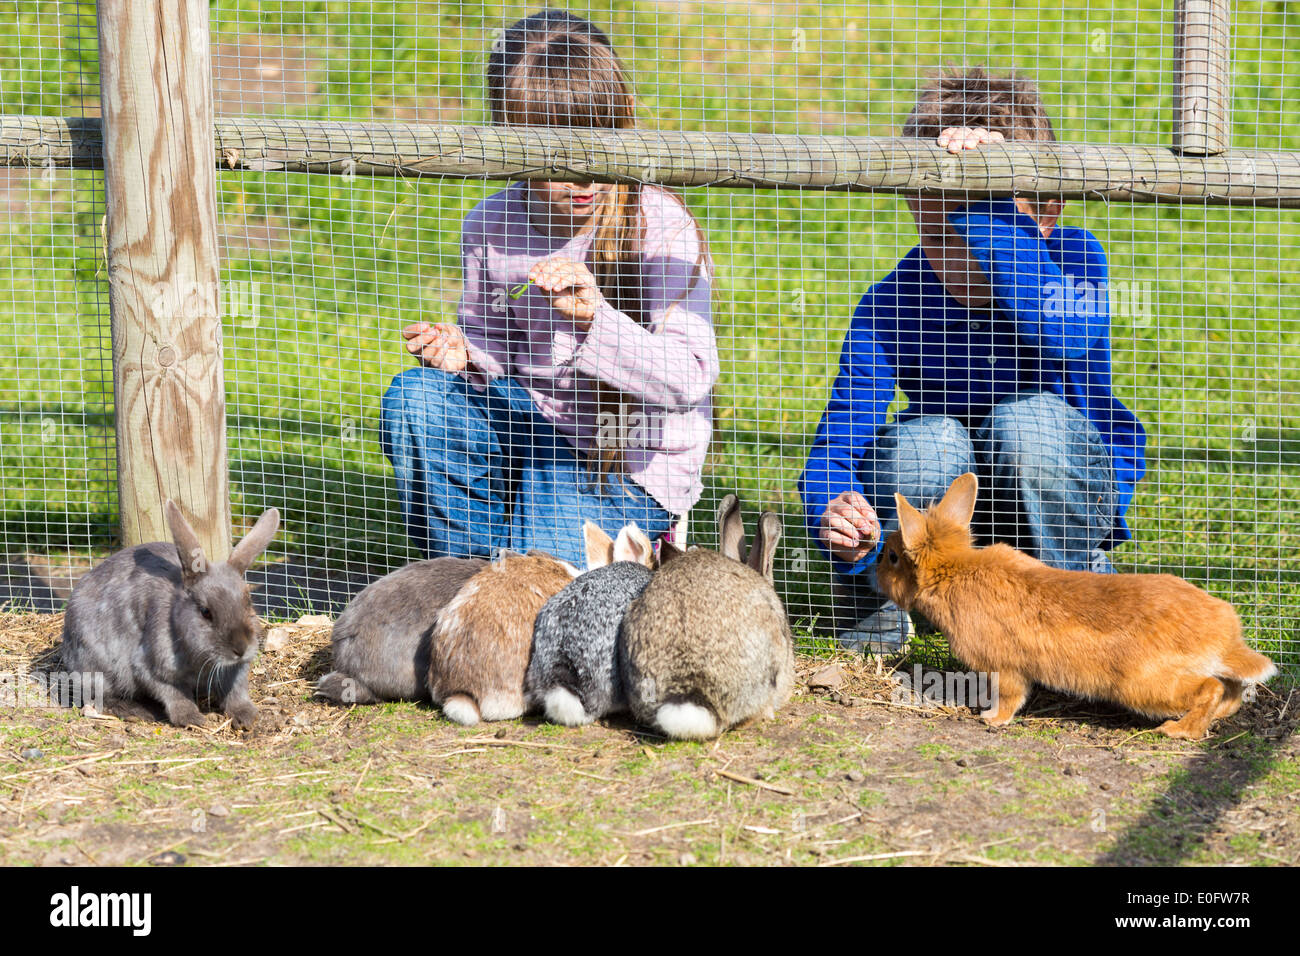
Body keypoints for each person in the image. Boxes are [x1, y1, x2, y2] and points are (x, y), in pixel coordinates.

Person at [799, 67, 1147, 653]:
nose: (959, 265)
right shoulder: (892, 300)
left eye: (981, 235)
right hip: (950, 529)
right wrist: (835, 505)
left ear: (1047, 212)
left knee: (1026, 424)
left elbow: (1065, 332)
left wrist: (987, 210)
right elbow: (837, 445)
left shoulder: (1074, 256)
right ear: (912, 204)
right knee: (928, 442)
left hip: (1055, 501)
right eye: (943, 236)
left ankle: (1077, 597)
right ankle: (886, 594)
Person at [380, 9, 718, 569]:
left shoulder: (661, 225)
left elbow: (690, 377)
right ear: (512, 142)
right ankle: (466, 576)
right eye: (555, 156)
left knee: (542, 587)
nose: (582, 178)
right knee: (416, 400)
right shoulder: (490, 223)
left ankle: (534, 561)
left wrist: (597, 321)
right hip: (532, 426)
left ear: (622, 120)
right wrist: (463, 355)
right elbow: (493, 350)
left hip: (624, 457)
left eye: (596, 144)